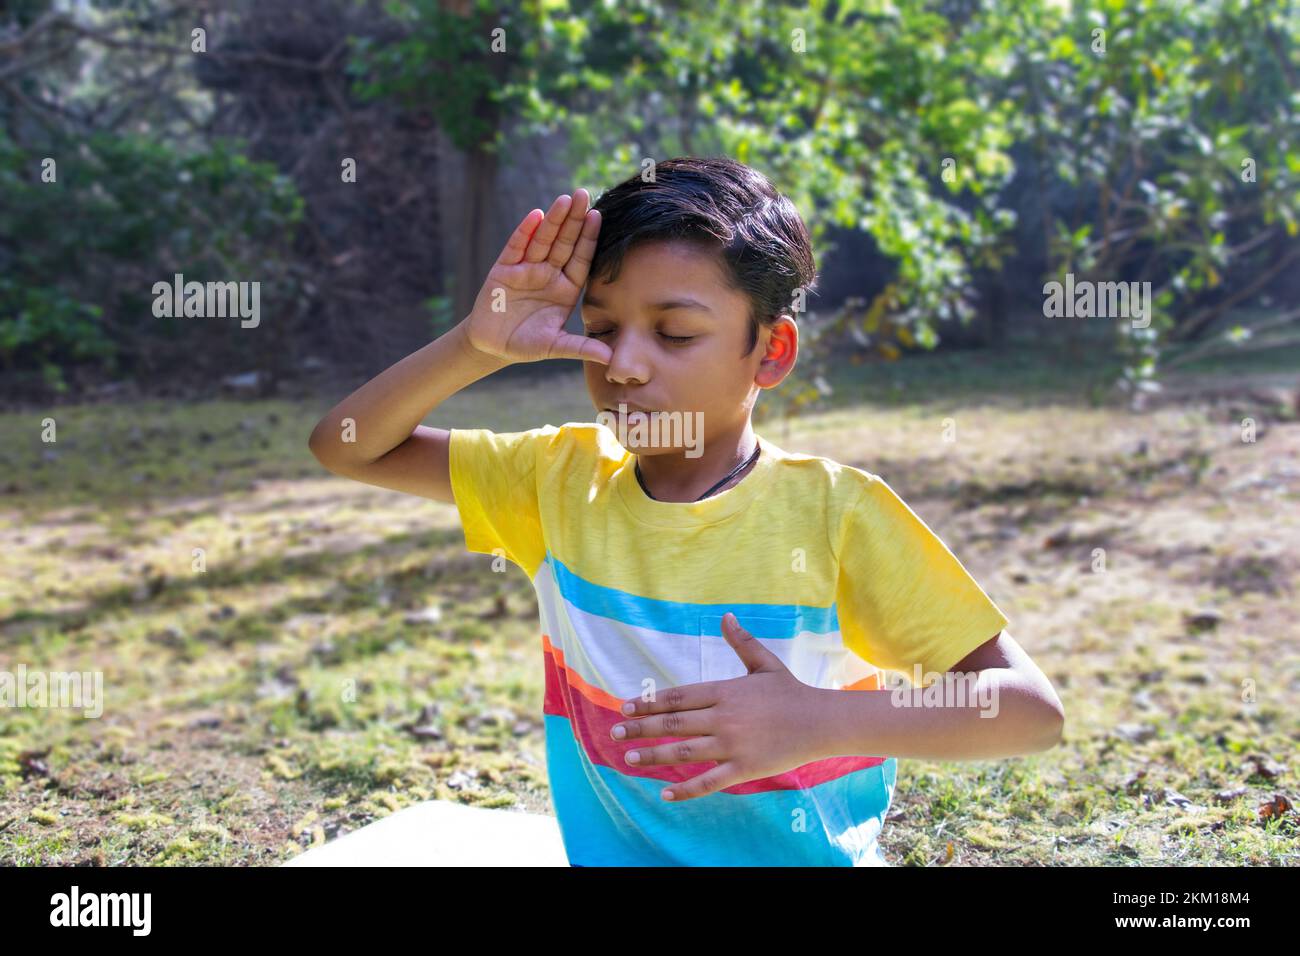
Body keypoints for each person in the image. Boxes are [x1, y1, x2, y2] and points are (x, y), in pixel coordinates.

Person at [308, 157, 1065, 866]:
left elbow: (1030, 710)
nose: (624, 365)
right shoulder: (554, 480)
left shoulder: (839, 515)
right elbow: (347, 445)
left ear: (770, 352)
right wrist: (477, 346)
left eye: (675, 333)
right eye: (601, 329)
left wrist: (819, 720)